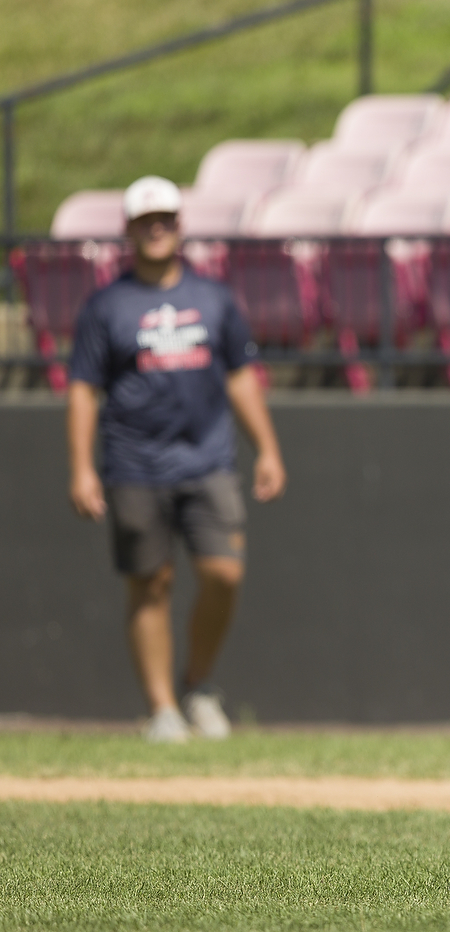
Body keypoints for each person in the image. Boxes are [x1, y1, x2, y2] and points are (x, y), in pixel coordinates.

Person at [67, 175, 287, 744]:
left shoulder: (214, 298)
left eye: (165, 217)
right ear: (129, 230)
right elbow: (83, 389)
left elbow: (240, 378)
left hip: (208, 460)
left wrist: (267, 448)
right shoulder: (106, 306)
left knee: (223, 573)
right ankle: (163, 709)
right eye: (145, 220)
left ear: (180, 225)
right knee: (151, 582)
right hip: (134, 464)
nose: (156, 228)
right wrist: (82, 466)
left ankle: (197, 683)